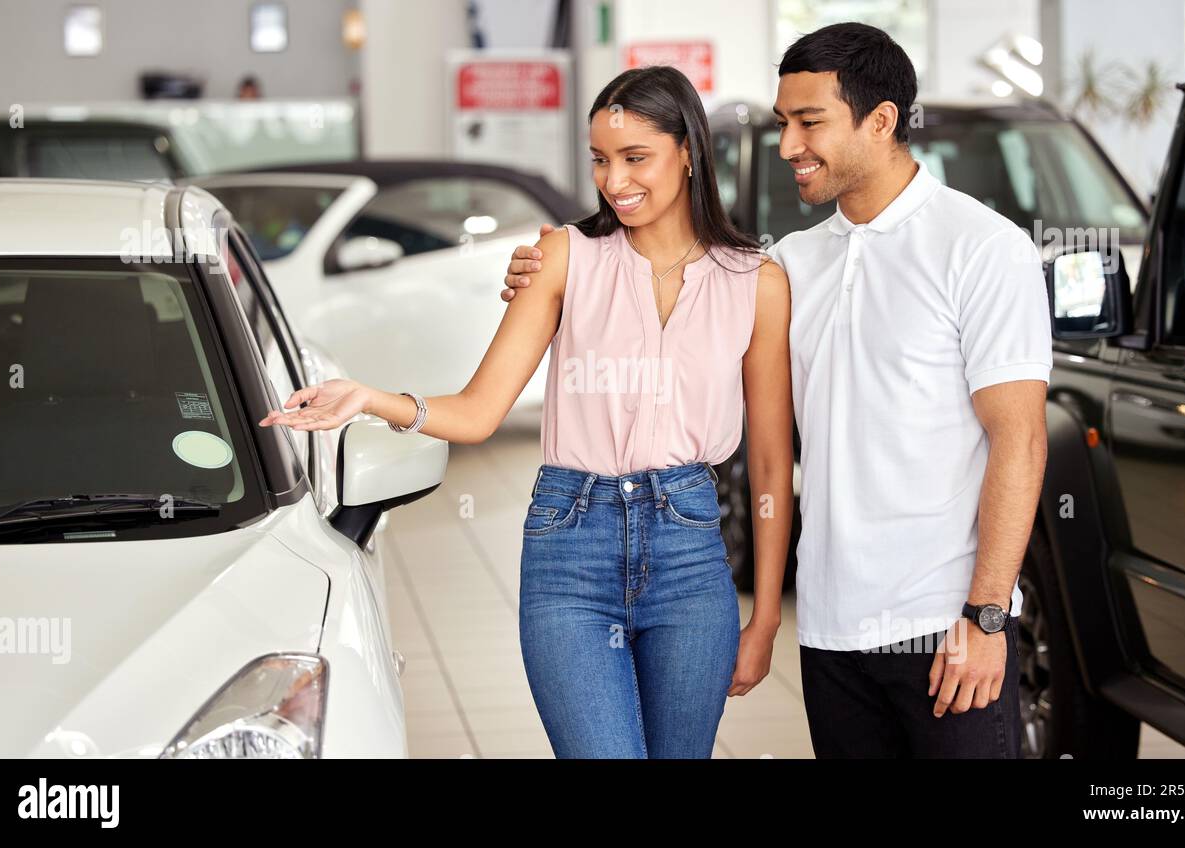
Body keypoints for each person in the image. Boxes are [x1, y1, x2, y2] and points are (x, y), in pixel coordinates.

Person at [500, 23, 1052, 758]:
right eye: (783, 122)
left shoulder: (982, 249)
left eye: (810, 122)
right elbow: (746, 421)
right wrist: (543, 277)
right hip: (829, 633)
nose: (788, 144)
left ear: (882, 121)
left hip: (943, 627)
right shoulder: (792, 265)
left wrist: (986, 617)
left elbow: (1021, 438)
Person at [260, 65, 794, 758]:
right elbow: (481, 412)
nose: (615, 181)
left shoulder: (757, 283)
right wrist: (369, 399)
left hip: (690, 554)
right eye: (600, 160)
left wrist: (767, 618)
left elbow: (771, 462)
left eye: (636, 158)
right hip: (572, 547)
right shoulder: (563, 258)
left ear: (689, 150)